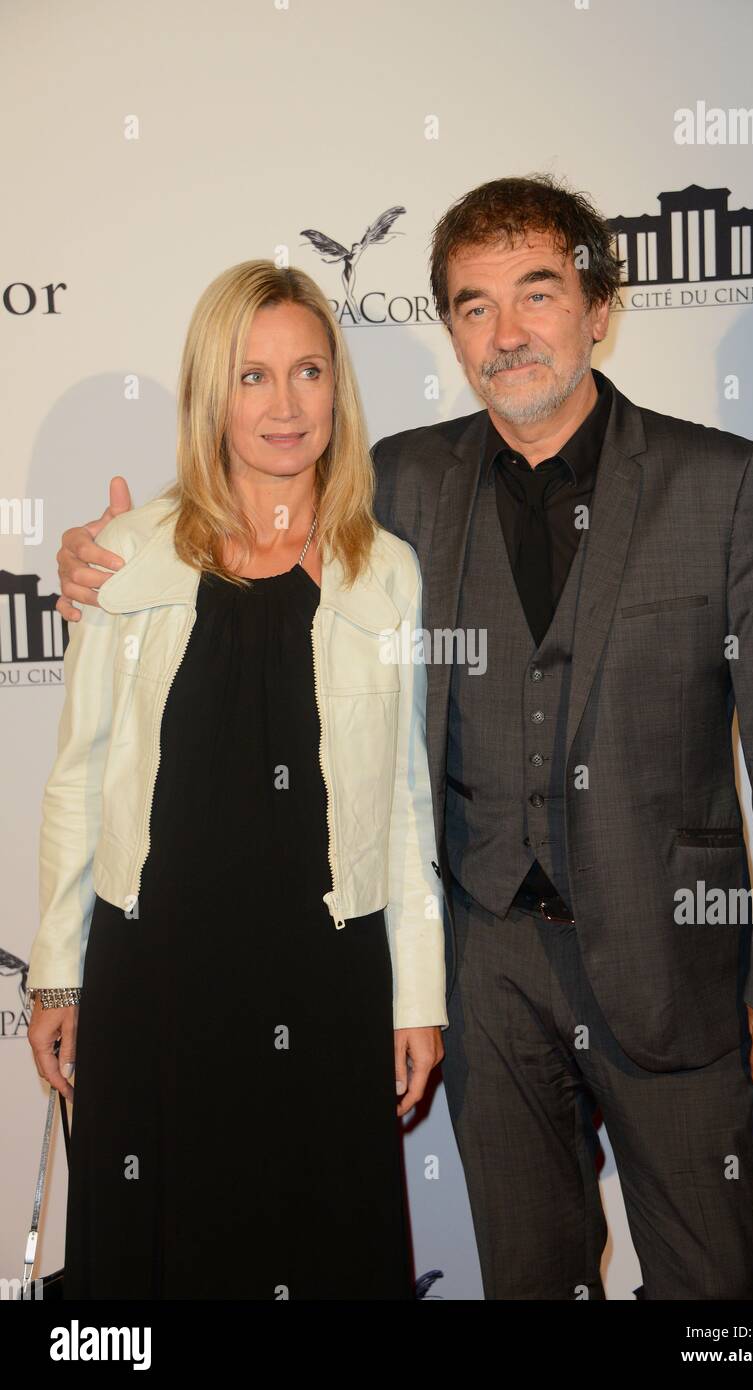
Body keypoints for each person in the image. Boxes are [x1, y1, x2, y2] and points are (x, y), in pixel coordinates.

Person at [54, 175, 753, 1301]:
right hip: (485, 974)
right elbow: (239, 503)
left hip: (669, 964)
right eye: (473, 306)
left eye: (535, 293)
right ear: (450, 332)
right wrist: (102, 549)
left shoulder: (718, 484)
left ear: (598, 306)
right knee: (527, 1277)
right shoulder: (403, 486)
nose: (507, 332)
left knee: (715, 1283)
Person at [27, 259, 447, 1301]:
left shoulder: (382, 570)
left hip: (326, 968)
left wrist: (417, 994)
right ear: (210, 393)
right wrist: (56, 969)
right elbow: (77, 775)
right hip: (159, 972)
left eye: (307, 372)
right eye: (251, 376)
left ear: (335, 392)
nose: (283, 404)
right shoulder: (126, 559)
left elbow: (402, 799)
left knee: (318, 1235)